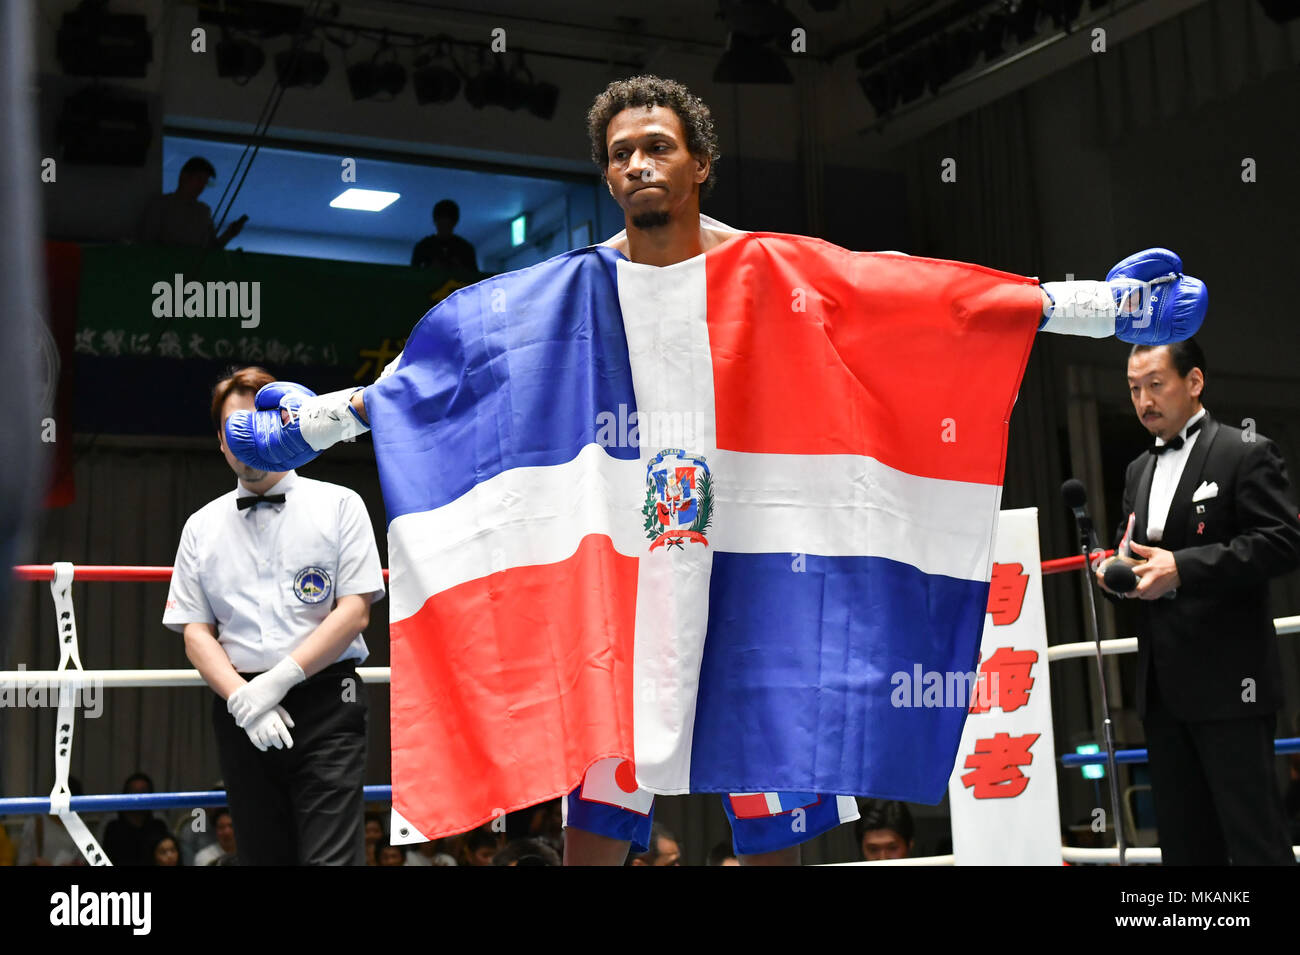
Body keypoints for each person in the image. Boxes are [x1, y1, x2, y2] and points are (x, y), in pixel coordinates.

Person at [224, 75, 1207, 866]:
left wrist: (1099, 307)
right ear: (606, 178)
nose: (638, 163)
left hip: (754, 577)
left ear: (700, 163)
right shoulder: (560, 300)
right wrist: (305, 426)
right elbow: (433, 379)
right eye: (619, 154)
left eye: (656, 145)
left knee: (775, 799)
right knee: (596, 826)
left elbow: (925, 300)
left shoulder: (782, 275)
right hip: (620, 586)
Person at [162, 365, 386, 865]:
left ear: (285, 426)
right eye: (233, 429)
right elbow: (195, 630)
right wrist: (245, 695)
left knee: (330, 861)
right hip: (241, 708)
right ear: (221, 441)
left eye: (257, 424)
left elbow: (354, 612)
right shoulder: (201, 527)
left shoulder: (340, 506)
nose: (248, 439)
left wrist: (280, 678)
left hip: (328, 701)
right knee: (263, 857)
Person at [1095, 339, 1300, 865]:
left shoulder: (1246, 451)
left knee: (1256, 843)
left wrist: (1182, 569)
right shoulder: (1137, 470)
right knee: (1185, 851)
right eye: (1134, 388)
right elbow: (1136, 549)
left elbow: (1282, 542)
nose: (1144, 400)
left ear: (1194, 382)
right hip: (1162, 689)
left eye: (1155, 384)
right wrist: (1118, 572)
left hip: (1233, 684)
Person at [137, 156, 247, 249]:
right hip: (170, 270)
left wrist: (229, 234)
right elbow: (147, 244)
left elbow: (211, 250)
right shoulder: (160, 205)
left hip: (191, 272)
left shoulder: (203, 211)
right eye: (199, 179)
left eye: (205, 182)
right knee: (178, 275)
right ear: (184, 176)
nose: (202, 186)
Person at [99, 772, 172, 866]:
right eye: (133, 791)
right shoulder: (111, 823)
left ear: (151, 795)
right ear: (125, 794)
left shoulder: (159, 823)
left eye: (143, 792)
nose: (137, 797)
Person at [410, 198, 477, 272]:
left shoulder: (466, 249)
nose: (444, 227)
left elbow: (475, 278)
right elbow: (413, 275)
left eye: (447, 224)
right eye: (442, 223)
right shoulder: (422, 247)